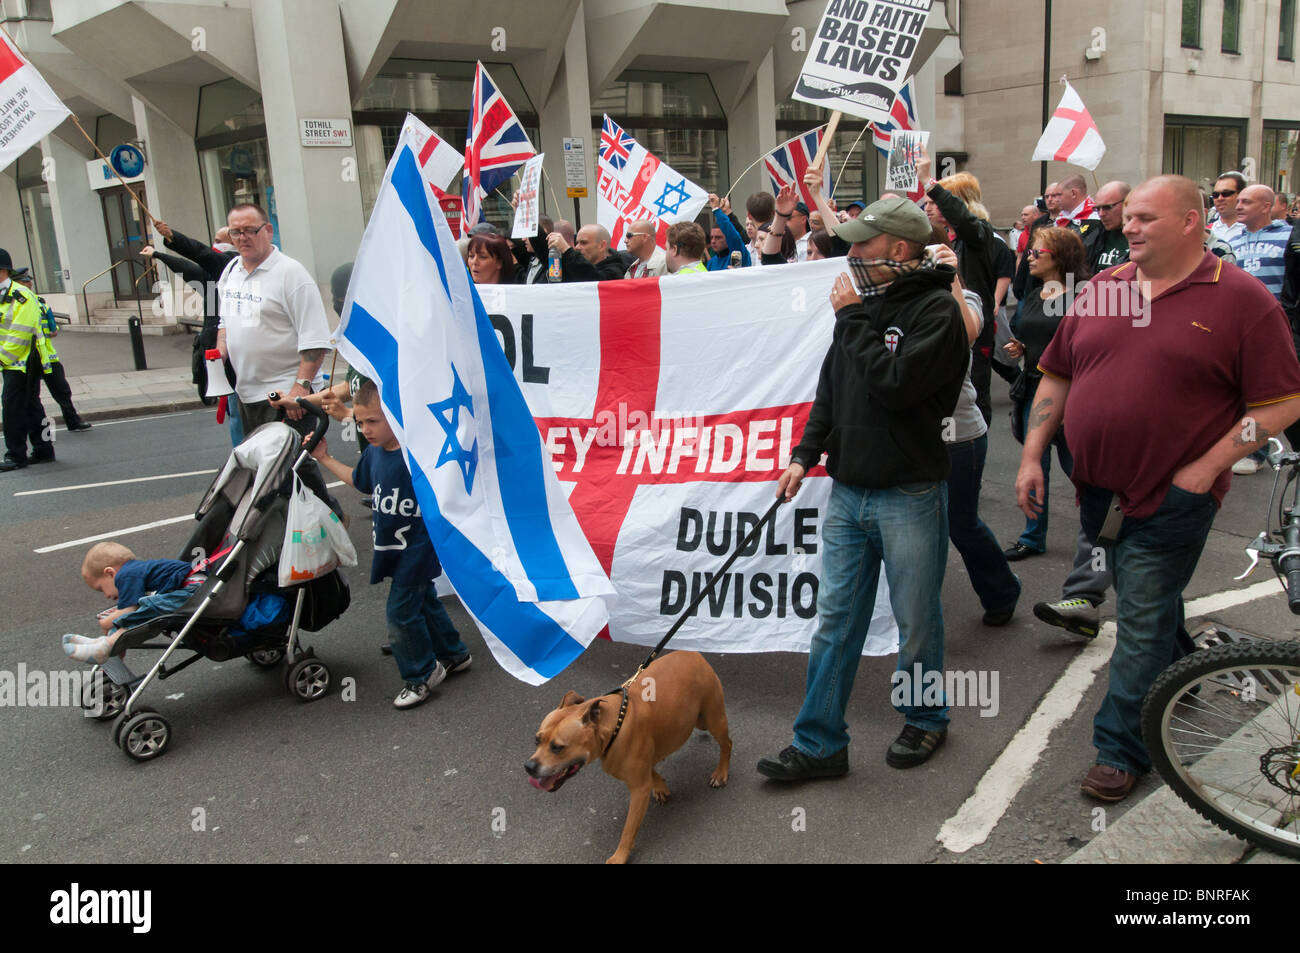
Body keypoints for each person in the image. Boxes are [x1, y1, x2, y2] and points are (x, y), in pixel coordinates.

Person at [1016, 174, 1300, 801]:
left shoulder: (1242, 299)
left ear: (1192, 222)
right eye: (1130, 216)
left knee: (1138, 620)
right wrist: (1032, 455)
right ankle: (1184, 674)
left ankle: (1121, 749)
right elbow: (1057, 377)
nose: (1130, 226)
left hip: (1174, 499)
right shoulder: (1107, 290)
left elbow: (1280, 403)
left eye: (1146, 217)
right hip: (1095, 491)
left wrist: (1205, 469)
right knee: (1152, 600)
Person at [756, 196, 970, 781]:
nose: (849, 254)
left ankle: (925, 718)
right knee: (835, 620)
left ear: (899, 250)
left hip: (909, 493)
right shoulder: (863, 306)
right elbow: (833, 389)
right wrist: (804, 455)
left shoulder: (935, 312)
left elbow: (895, 385)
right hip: (848, 492)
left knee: (916, 619)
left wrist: (850, 320)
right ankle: (820, 742)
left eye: (862, 244)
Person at [310, 381, 471, 709]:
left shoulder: (417, 456)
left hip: (417, 549)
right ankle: (454, 653)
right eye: (359, 422)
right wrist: (324, 457)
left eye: (373, 421)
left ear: (396, 417)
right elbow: (360, 480)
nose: (364, 429)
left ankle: (422, 674)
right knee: (423, 601)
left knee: (400, 613)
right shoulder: (373, 453)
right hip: (393, 548)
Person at [214, 203, 335, 508]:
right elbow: (225, 322)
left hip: (284, 392)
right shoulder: (231, 271)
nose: (243, 237)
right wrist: (219, 355)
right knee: (264, 472)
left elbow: (315, 340)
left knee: (294, 469)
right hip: (246, 393)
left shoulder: (291, 274)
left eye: (250, 230)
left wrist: (300, 389)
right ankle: (285, 536)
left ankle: (331, 522)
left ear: (267, 230)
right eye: (235, 231)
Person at [1003, 227, 1088, 561]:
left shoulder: (1083, 296)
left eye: (1037, 253)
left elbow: (1084, 350)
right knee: (1035, 465)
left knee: (1081, 470)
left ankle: (1101, 532)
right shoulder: (1035, 294)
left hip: (1070, 393)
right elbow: (1032, 335)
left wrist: (1073, 402)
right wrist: (1020, 346)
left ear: (1060, 257)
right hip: (1034, 388)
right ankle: (1032, 537)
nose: (1030, 258)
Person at [919, 157, 1002, 425]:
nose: (929, 206)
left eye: (937, 201)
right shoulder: (946, 239)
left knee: (974, 392)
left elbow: (966, 223)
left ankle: (974, 445)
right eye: (928, 201)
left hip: (973, 326)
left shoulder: (980, 234)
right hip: (944, 321)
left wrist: (929, 182)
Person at [62, 541, 207, 663]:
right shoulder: (135, 571)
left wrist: (105, 623)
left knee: (149, 607)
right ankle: (105, 644)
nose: (106, 595)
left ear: (110, 573)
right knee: (144, 609)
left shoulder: (126, 575)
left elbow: (129, 610)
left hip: (194, 588)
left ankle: (106, 645)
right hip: (191, 585)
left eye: (101, 589)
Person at [13, 269, 90, 433]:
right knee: (31, 397)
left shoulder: (39, 301)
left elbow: (50, 324)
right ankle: (39, 430)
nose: (29, 283)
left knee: (62, 390)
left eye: (29, 280)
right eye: (25, 280)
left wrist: (52, 329)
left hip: (48, 356)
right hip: (27, 358)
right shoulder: (15, 303)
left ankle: (73, 421)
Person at [0, 248, 55, 471]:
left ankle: (16, 455)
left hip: (23, 361)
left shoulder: (21, 296)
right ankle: (44, 450)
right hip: (11, 361)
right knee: (32, 405)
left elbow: (20, 334)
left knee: (11, 407)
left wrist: (2, 359)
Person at [546, 224, 625, 281]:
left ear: (601, 245)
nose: (577, 247)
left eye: (584, 243)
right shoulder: (575, 264)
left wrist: (566, 249)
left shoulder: (614, 272)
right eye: (577, 243)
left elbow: (590, 277)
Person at [1089, 181, 1132, 273]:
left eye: (1107, 207)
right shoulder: (1094, 236)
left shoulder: (1143, 238)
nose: (1101, 214)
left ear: (1127, 203)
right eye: (1097, 209)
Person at [705, 194, 750, 270]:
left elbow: (733, 237)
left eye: (718, 237)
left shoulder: (736, 256)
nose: (713, 241)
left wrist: (716, 210)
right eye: (711, 237)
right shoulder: (711, 263)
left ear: (728, 238)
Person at [1208, 171, 1247, 244]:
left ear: (1241, 194)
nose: (1220, 198)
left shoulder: (1254, 229)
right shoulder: (1207, 232)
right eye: (1215, 195)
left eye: (1226, 194)